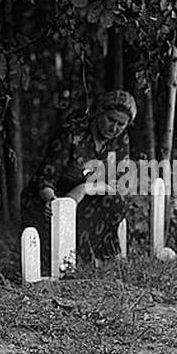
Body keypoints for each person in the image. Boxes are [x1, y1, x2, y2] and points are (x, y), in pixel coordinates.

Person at [20, 89, 136, 266]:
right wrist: (53, 202)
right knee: (50, 262)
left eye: (121, 125)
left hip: (86, 201)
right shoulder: (72, 135)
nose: (114, 128)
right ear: (99, 112)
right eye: (110, 120)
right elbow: (46, 178)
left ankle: (91, 260)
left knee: (117, 201)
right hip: (51, 200)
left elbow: (120, 182)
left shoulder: (120, 141)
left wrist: (84, 189)